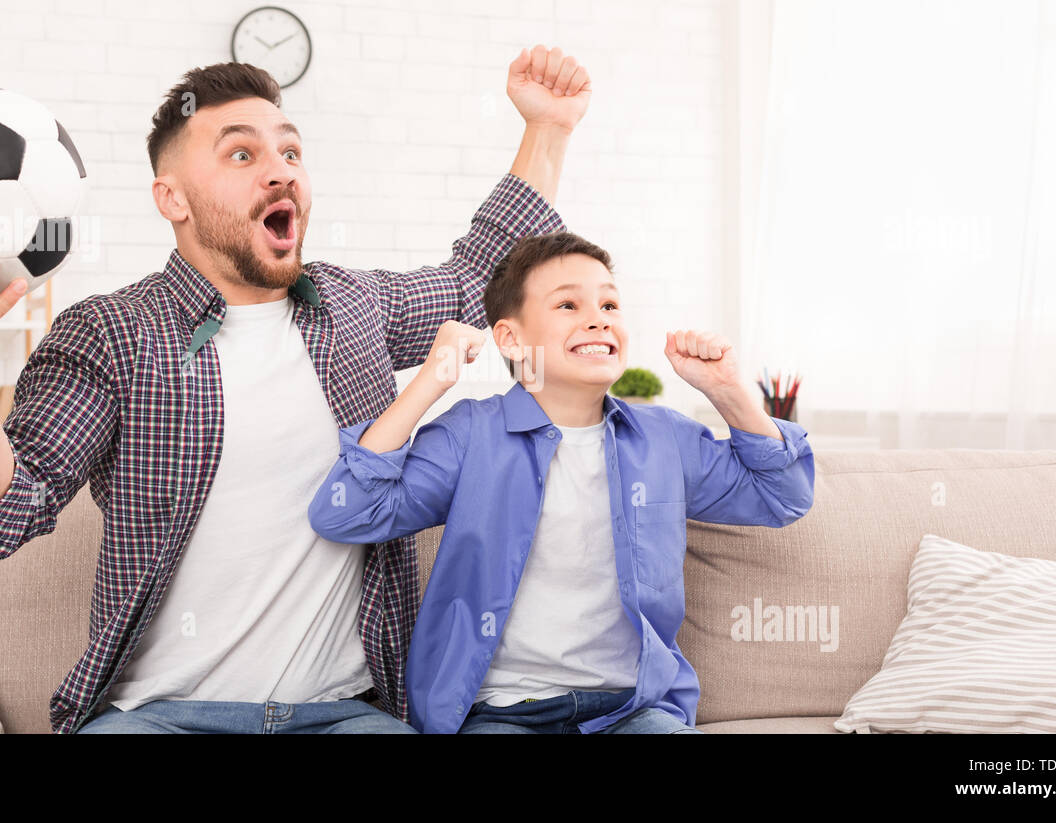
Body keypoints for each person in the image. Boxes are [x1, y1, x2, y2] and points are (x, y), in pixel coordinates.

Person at [0, 46, 591, 734]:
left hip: (345, 715)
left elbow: (478, 281)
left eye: (290, 151)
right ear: (172, 199)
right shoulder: (111, 335)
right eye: (242, 154)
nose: (278, 171)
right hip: (157, 717)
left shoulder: (352, 308)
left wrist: (546, 129)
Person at [308, 231, 815, 734]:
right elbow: (347, 511)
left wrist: (729, 391)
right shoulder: (470, 434)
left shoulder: (665, 439)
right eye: (568, 305)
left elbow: (783, 496)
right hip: (501, 713)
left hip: (630, 711)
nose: (598, 318)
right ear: (510, 338)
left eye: (610, 305)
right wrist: (430, 381)